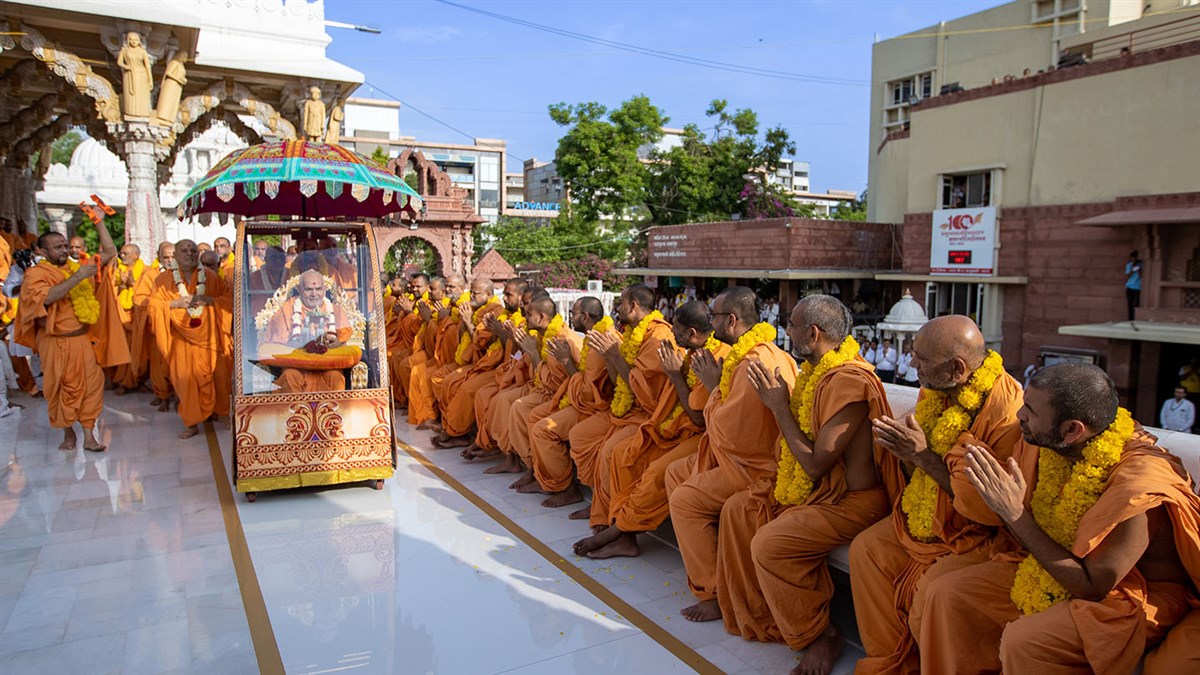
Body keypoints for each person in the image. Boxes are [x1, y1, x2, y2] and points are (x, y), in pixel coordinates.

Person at [918, 363, 1200, 674]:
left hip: (1131, 595)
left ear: (1072, 429)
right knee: (948, 594)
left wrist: (1013, 513)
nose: (1019, 416)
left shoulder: (1139, 487)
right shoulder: (1054, 445)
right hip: (1052, 563)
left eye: (1031, 411)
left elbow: (1092, 586)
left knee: (1025, 641)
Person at [722, 295, 896, 675]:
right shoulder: (816, 375)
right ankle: (765, 611)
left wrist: (778, 407)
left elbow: (817, 465)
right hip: (820, 495)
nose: (786, 331)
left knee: (769, 544)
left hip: (852, 502)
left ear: (812, 333)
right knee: (740, 508)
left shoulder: (849, 380)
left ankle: (821, 634)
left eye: (793, 325)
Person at [850, 314, 1024, 675]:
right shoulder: (937, 387)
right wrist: (906, 451)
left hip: (979, 534)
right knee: (866, 550)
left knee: (930, 599)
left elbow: (987, 509)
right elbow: (922, 464)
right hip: (927, 513)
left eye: (921, 359)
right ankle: (890, 663)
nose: (911, 364)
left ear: (957, 369)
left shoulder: (1007, 414)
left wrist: (919, 455)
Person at [667, 285, 797, 623]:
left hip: (757, 468)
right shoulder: (749, 354)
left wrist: (712, 386)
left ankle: (713, 591)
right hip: (740, 458)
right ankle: (712, 566)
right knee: (675, 473)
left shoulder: (753, 362)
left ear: (733, 320)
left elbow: (736, 437)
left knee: (684, 499)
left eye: (715, 317)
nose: (711, 323)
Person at [572, 300, 729, 559]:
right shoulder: (688, 351)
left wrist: (675, 374)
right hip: (670, 428)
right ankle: (623, 534)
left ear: (691, 333)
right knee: (624, 454)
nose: (671, 333)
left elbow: (698, 419)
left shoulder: (714, 357)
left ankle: (618, 530)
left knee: (656, 471)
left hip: (699, 435)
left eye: (676, 329)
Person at [565, 284, 675, 524]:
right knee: (581, 436)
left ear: (633, 306)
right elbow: (619, 383)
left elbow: (647, 391)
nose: (617, 309)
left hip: (646, 415)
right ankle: (599, 503)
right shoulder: (631, 334)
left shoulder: (658, 338)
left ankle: (610, 516)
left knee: (610, 452)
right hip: (623, 411)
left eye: (621, 304)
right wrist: (611, 356)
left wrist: (613, 355)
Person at [14, 217, 123, 452]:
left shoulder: (76, 266)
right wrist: (78, 277)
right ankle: (68, 433)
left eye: (65, 246)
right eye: (58, 247)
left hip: (81, 339)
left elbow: (110, 251)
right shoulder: (36, 274)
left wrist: (99, 222)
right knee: (60, 388)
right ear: (43, 251)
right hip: (54, 341)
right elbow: (46, 298)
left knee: (92, 385)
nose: (64, 250)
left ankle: (89, 436)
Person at [527, 295, 617, 508]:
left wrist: (566, 360)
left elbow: (589, 391)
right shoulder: (592, 339)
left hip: (595, 407)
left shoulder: (601, 341)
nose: (570, 317)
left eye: (573, 313)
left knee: (544, 429)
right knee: (533, 416)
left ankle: (567, 489)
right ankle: (539, 474)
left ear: (584, 316)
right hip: (579, 401)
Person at [492, 295, 583, 485]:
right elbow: (537, 374)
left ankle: (556, 481)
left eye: (528, 314)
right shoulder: (540, 336)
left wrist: (533, 353)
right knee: (512, 404)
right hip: (545, 390)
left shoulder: (565, 340)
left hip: (564, 397)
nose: (524, 317)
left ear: (541, 317)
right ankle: (530, 466)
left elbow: (572, 381)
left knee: (523, 410)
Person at [149, 239, 230, 439]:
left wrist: (211, 300)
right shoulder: (162, 280)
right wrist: (174, 304)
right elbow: (152, 306)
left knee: (218, 377)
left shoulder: (210, 277)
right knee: (185, 382)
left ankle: (221, 413)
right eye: (184, 250)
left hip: (210, 338)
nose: (190, 253)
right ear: (175, 255)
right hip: (181, 341)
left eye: (193, 250)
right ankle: (191, 422)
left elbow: (228, 300)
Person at [259, 269, 354, 393]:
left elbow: (344, 344)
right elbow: (274, 346)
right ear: (299, 289)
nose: (314, 294)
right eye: (309, 289)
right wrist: (297, 344)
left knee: (335, 377)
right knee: (289, 376)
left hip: (326, 368)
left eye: (318, 289)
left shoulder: (336, 311)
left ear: (324, 290)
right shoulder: (286, 310)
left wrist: (337, 344)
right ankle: (293, 412)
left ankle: (333, 412)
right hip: (296, 368)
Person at [138, 242, 174, 411]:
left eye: (173, 256)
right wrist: (162, 306)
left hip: (178, 328)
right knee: (159, 366)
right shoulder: (150, 274)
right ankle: (163, 396)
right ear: (158, 257)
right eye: (166, 257)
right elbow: (140, 299)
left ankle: (179, 396)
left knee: (177, 364)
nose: (169, 260)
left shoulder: (185, 274)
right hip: (158, 326)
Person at [1125, 250, 1142, 322]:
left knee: (1136, 304)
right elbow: (1127, 276)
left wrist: (1139, 270)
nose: (1133, 259)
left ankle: (1136, 318)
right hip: (1129, 286)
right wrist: (1132, 269)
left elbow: (1142, 275)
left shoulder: (1141, 265)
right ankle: (1130, 319)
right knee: (1130, 303)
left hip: (1137, 287)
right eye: (1132, 258)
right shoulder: (1129, 265)